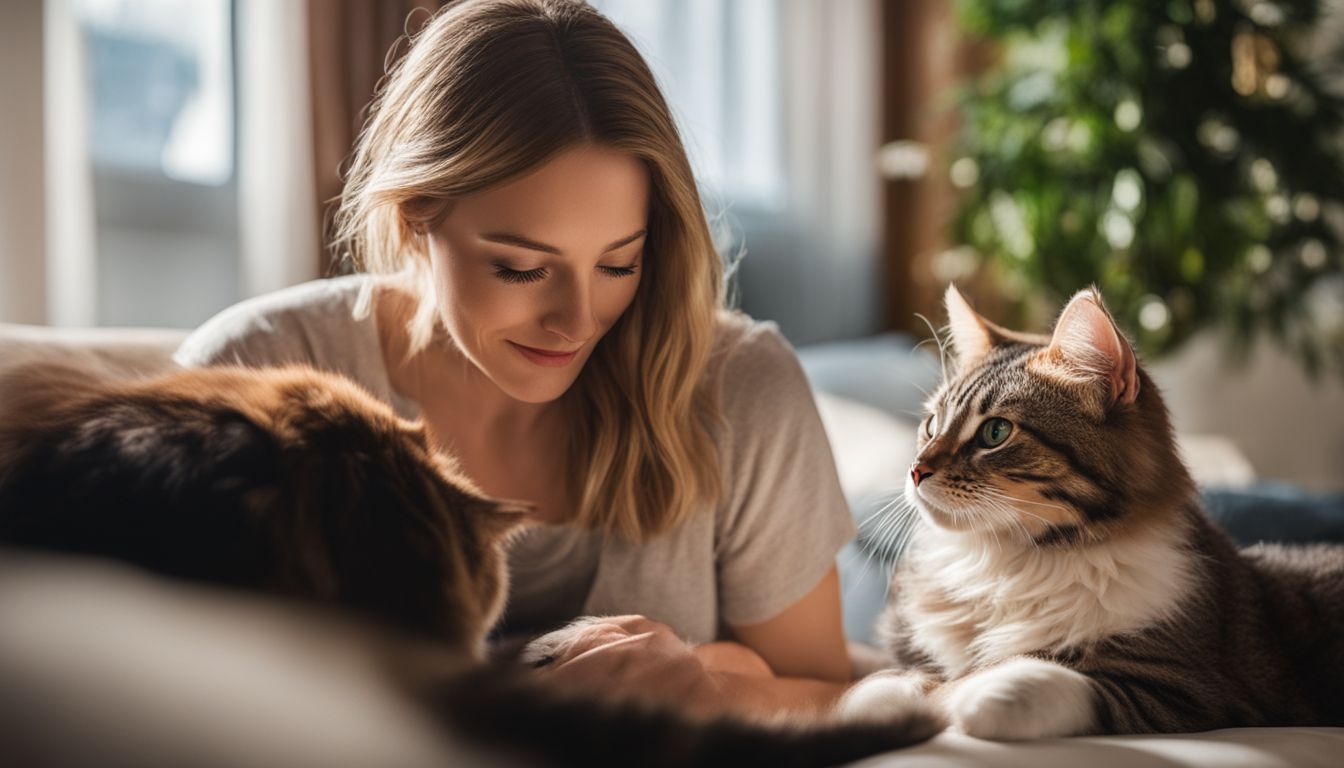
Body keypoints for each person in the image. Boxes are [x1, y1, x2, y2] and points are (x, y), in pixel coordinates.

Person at [175, 0, 855, 715]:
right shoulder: (256, 373)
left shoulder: (744, 391)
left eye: (618, 265)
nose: (577, 321)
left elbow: (829, 693)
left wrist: (710, 688)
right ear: (415, 214)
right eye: (522, 269)